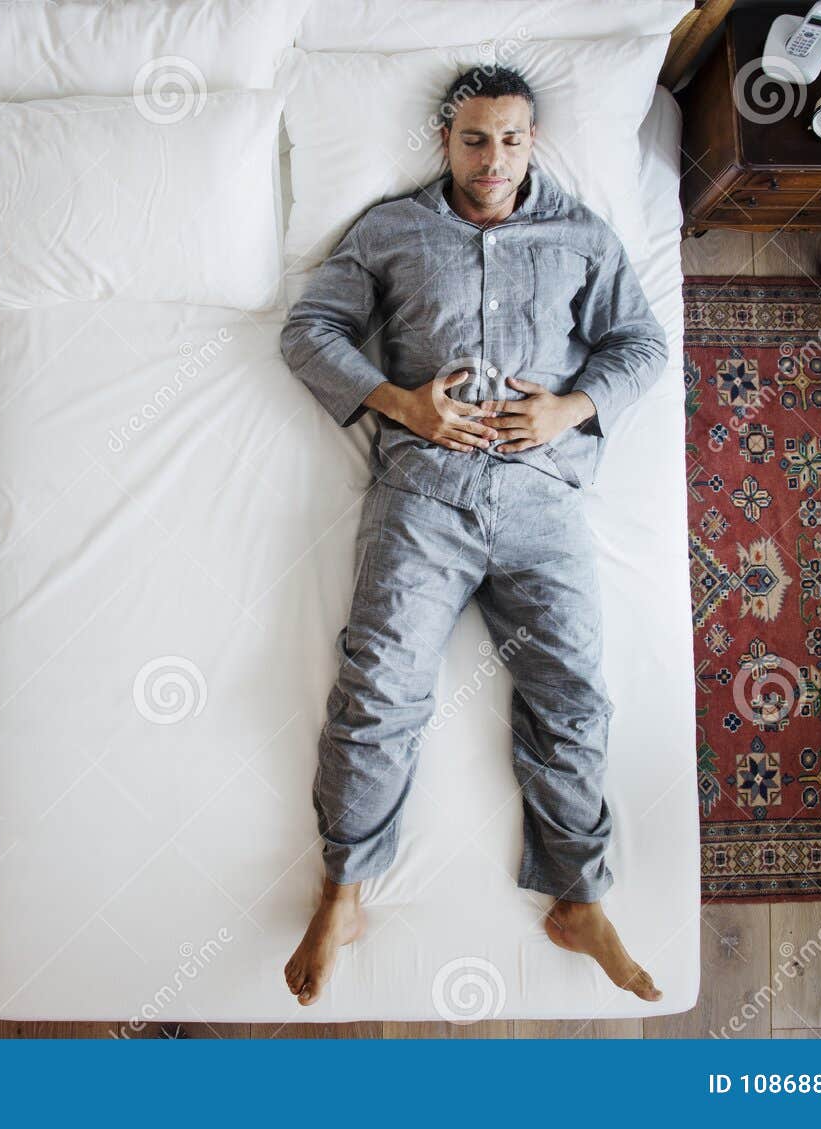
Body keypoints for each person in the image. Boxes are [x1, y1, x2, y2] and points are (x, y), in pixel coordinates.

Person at [278, 64, 669, 1007]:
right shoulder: (390, 230)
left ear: (533, 142)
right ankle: (342, 892)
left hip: (541, 493)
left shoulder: (582, 236)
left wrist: (570, 408)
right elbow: (309, 331)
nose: (494, 160)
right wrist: (400, 402)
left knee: (571, 692)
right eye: (475, 140)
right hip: (424, 493)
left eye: (512, 140)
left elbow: (642, 345)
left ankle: (578, 898)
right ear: (446, 142)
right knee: (379, 685)